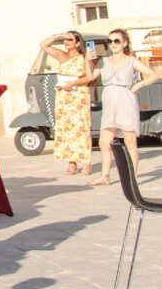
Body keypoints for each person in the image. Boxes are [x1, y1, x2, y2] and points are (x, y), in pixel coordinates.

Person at [90, 29, 151, 187]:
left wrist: (139, 83)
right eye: (110, 41)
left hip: (126, 100)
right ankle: (105, 176)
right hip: (110, 102)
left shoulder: (132, 61)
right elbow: (90, 77)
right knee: (104, 141)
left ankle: (132, 177)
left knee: (130, 141)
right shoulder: (103, 61)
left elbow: (153, 75)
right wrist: (86, 60)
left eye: (116, 41)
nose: (113, 44)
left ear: (125, 43)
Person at [40, 30, 92, 177]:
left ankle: (86, 162)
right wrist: (58, 36)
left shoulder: (84, 58)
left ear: (77, 43)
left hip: (78, 95)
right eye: (65, 40)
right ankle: (72, 162)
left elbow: (90, 77)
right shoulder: (63, 56)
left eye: (70, 40)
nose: (66, 43)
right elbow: (43, 45)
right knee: (67, 130)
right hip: (64, 96)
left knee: (81, 128)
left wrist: (74, 81)